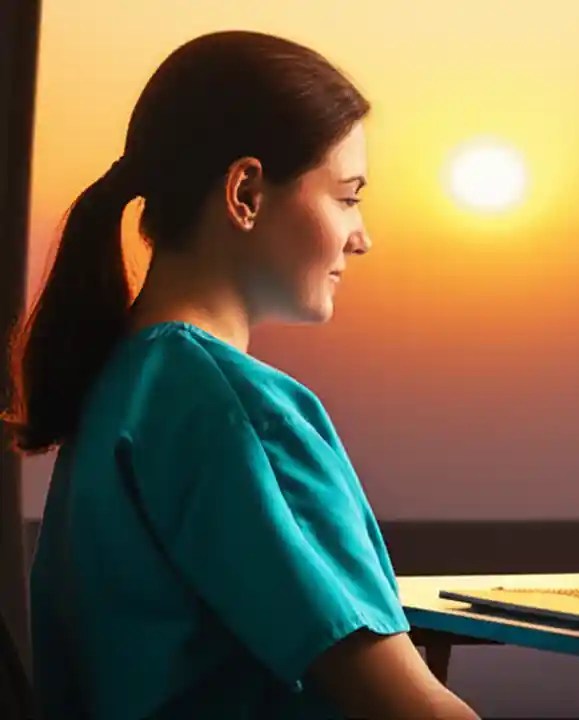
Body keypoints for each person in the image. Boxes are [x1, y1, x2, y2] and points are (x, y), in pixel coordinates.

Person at [3, 31, 478, 720]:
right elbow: (409, 709)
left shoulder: (124, 382)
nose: (362, 236)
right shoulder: (232, 408)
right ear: (246, 192)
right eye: (348, 197)